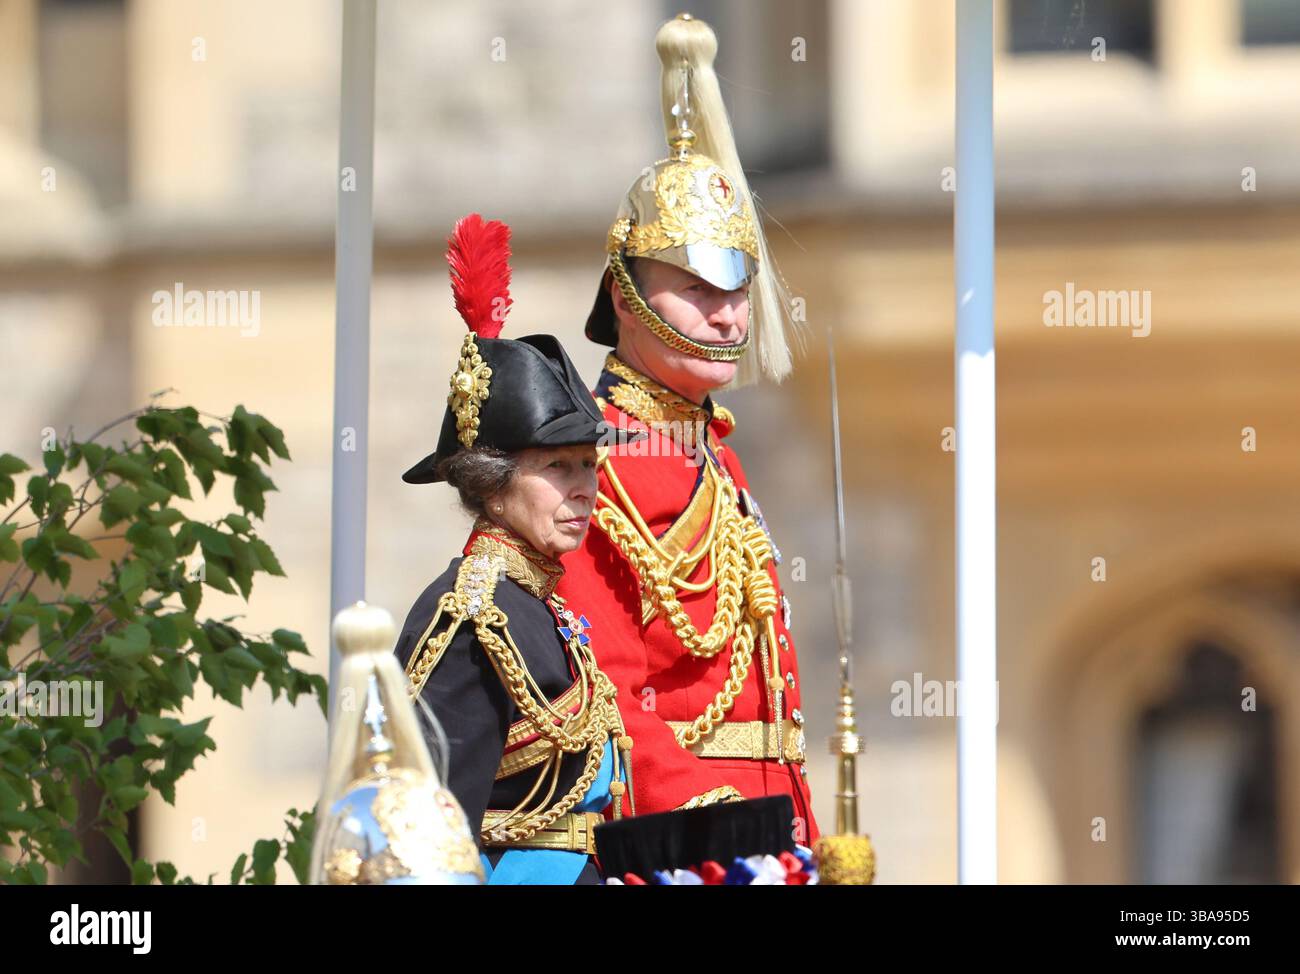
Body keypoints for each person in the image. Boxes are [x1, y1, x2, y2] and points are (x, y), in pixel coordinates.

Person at [555, 13, 819, 842]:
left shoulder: (712, 457)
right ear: (625, 288)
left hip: (770, 828)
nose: (725, 310)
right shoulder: (590, 464)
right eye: (697, 284)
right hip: (684, 838)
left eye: (737, 283)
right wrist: (721, 838)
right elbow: (610, 696)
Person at [394, 213, 638, 884]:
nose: (585, 488)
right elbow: (426, 841)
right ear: (492, 482)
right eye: (559, 468)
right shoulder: (469, 616)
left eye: (589, 466)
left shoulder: (536, 605)